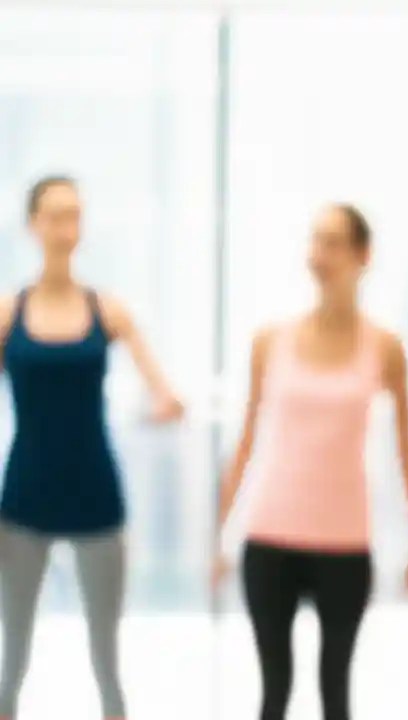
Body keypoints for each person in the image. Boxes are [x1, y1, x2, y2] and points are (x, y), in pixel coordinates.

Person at [212, 204, 408, 720]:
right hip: (269, 537)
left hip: (346, 543)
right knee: (274, 693)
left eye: (332, 242)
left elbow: (404, 449)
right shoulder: (270, 340)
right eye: (314, 241)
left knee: (335, 694)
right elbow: (245, 442)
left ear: (362, 255)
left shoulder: (385, 347)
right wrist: (218, 535)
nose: (318, 254)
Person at [0, 175, 185, 720]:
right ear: (32, 224)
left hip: (96, 495)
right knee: (12, 660)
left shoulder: (109, 312)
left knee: (107, 664)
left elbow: (167, 398)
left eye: (75, 215)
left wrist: (151, 414)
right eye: (55, 215)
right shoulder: (9, 315)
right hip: (24, 498)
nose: (65, 227)